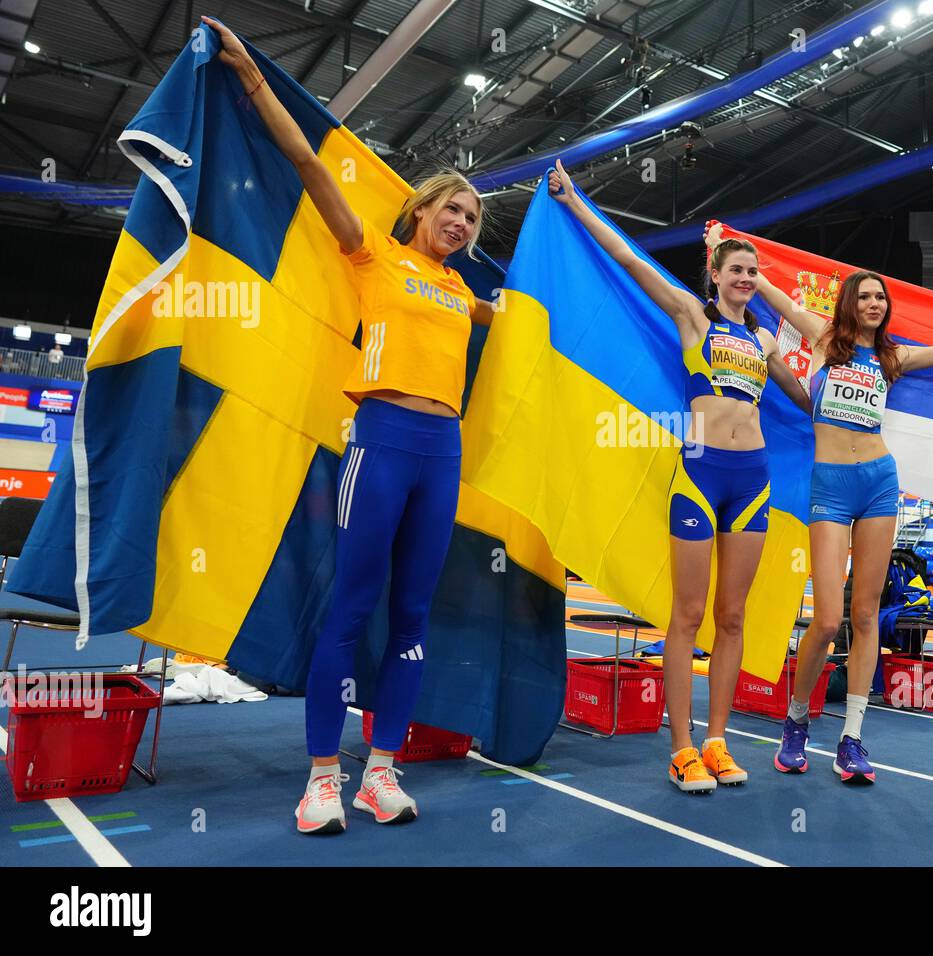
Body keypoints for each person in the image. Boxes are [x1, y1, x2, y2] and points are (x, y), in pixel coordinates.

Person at [204, 18, 499, 834]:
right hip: (380, 441)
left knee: (413, 617)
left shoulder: (466, 297)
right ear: (422, 210)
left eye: (474, 218)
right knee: (352, 608)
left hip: (443, 450)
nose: (464, 223)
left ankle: (383, 771)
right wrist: (256, 82)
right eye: (455, 208)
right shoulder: (374, 253)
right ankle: (322, 780)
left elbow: (526, 324)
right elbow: (307, 163)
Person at [735, 231, 933, 782]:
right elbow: (775, 296)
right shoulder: (823, 335)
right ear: (849, 303)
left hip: (880, 483)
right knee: (829, 618)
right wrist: (733, 250)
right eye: (866, 296)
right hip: (829, 487)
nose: (875, 304)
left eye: (881, 298)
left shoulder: (894, 358)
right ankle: (796, 719)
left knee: (865, 615)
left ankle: (853, 737)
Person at [550, 165, 811, 794]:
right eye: (736, 270)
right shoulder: (694, 316)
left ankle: (718, 742)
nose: (746, 278)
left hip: (753, 479)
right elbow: (628, 260)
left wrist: (860, 389)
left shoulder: (766, 339)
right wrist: (576, 202)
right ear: (715, 276)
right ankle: (682, 746)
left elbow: (806, 398)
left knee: (732, 616)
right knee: (688, 614)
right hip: (699, 475)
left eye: (753, 271)